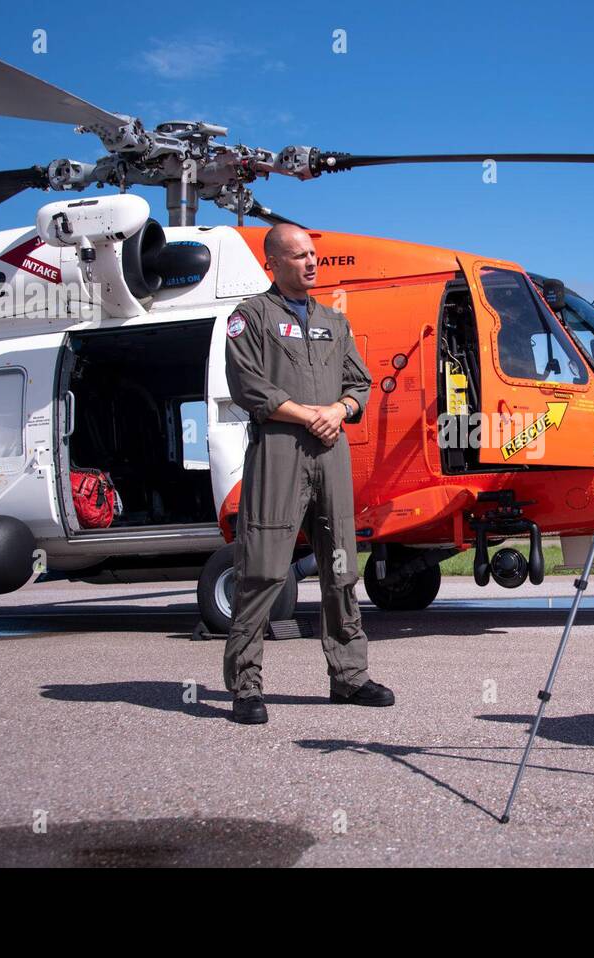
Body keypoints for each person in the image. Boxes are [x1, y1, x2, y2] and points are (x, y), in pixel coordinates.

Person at [222, 224, 394, 724]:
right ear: (272, 263)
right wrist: (307, 414)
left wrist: (339, 410)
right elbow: (246, 385)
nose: (311, 263)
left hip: (331, 452)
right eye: (298, 256)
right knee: (263, 570)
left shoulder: (333, 322)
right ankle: (247, 685)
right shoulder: (250, 317)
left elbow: (358, 383)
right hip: (280, 451)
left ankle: (349, 677)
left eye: (313, 254)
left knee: (341, 567)